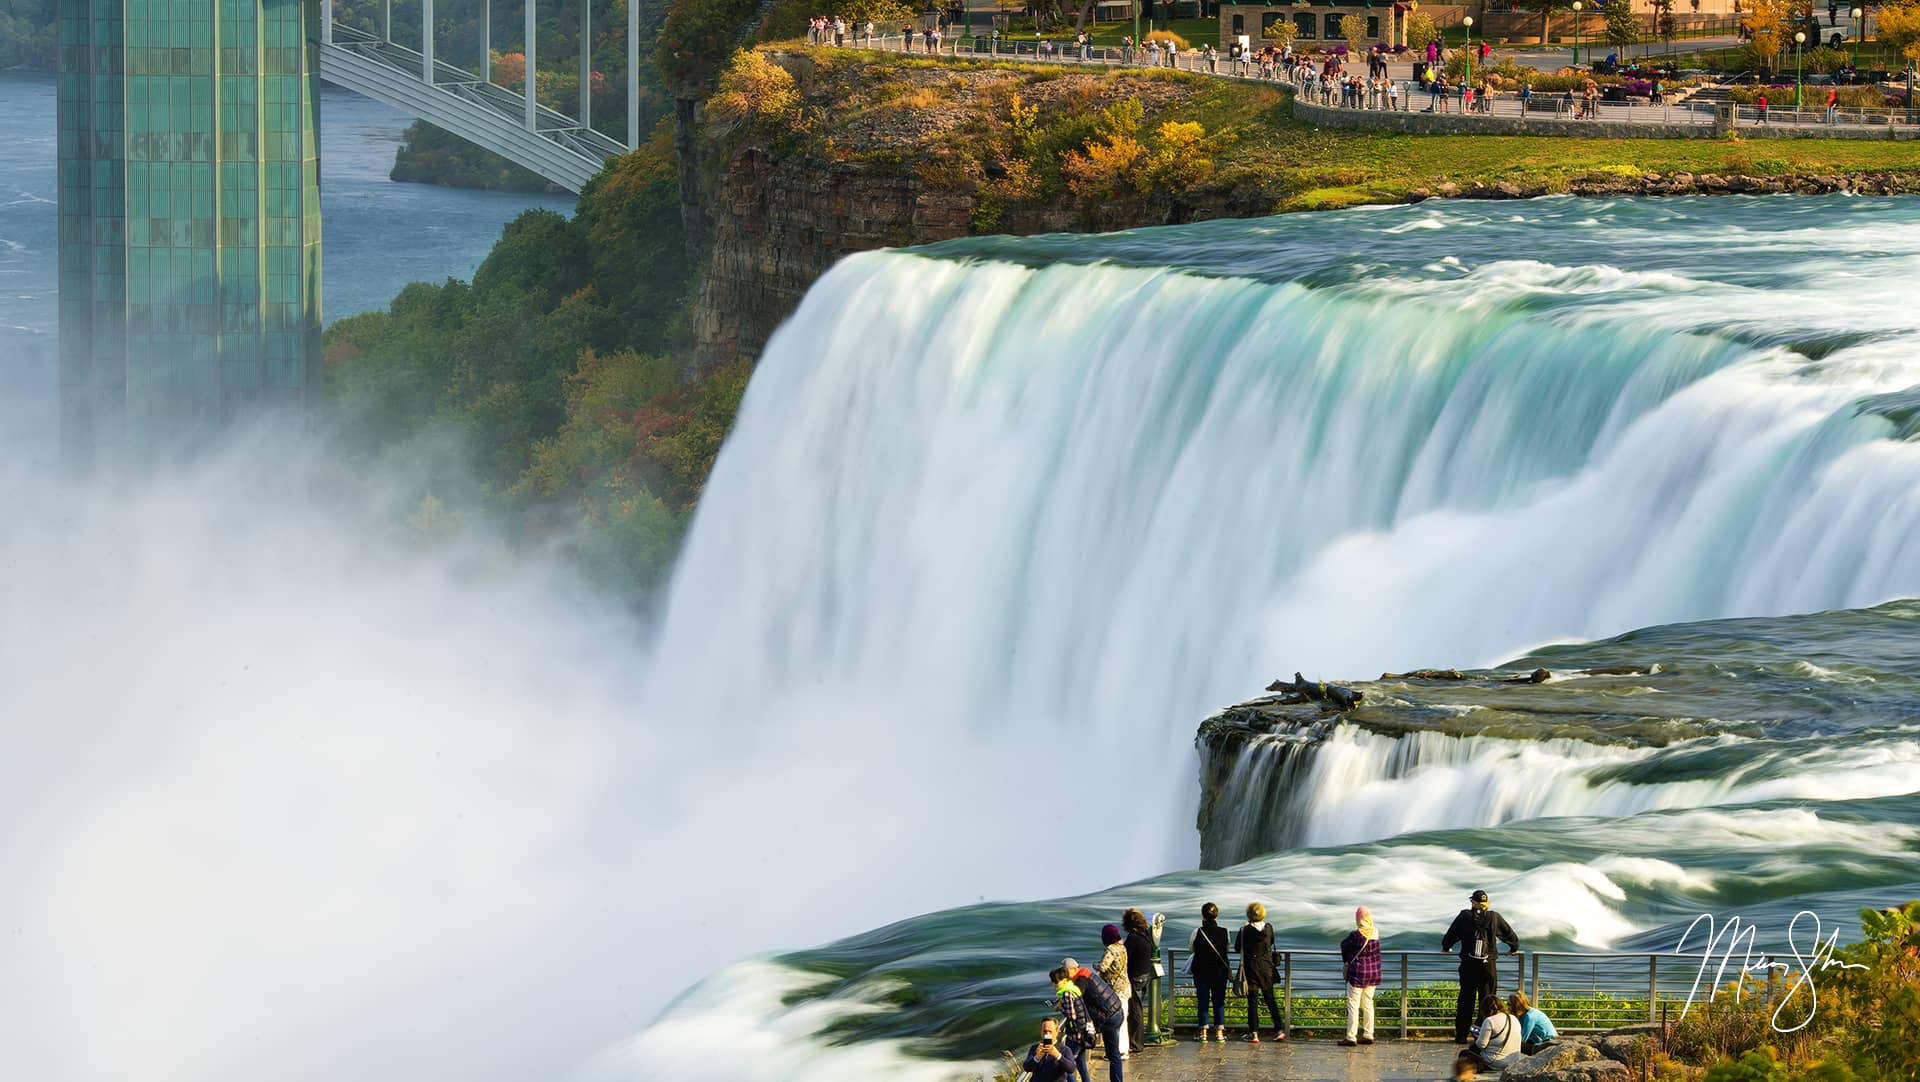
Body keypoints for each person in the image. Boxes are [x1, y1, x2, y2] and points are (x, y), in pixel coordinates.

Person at [1441, 890, 1520, 1044]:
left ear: (1473, 902)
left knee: (1466, 999)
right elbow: (1511, 936)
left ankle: (1462, 1035)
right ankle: (1481, 1034)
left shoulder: (1464, 916)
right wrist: (1513, 948)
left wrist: (1446, 947)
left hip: (1468, 965)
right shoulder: (1494, 917)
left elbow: (1450, 936)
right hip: (1488, 966)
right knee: (1487, 1000)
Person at [1062, 959, 1126, 1082]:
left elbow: (1076, 998)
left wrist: (1062, 1002)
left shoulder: (1081, 980)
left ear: (1074, 969)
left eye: (1065, 972)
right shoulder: (1087, 974)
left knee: (1112, 1055)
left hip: (1109, 1018)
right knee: (1112, 1055)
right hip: (1117, 1012)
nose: (1064, 975)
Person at [1235, 902, 1285, 1042]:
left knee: (1253, 1001)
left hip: (1251, 968)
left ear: (1248, 914)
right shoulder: (1269, 928)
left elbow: (1238, 948)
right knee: (1270, 999)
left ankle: (1254, 1032)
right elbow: (1271, 942)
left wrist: (1244, 929)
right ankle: (1279, 1030)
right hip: (1267, 968)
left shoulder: (1245, 930)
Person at [1188, 903, 1232, 1042]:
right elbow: (1227, 948)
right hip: (1220, 971)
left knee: (1203, 1000)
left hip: (1201, 971)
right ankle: (1219, 1032)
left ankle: (1203, 1033)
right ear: (1217, 915)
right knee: (1219, 1001)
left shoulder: (1197, 931)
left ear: (1203, 915)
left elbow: (1191, 949)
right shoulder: (1225, 931)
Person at [1339, 906, 1381, 1047]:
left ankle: (1351, 1037)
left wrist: (1348, 958)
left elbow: (1343, 945)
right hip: (1373, 973)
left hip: (1358, 974)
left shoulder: (1356, 934)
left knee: (1353, 1005)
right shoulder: (1375, 932)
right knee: (1368, 1004)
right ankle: (1368, 1034)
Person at [1454, 993, 1521, 1079]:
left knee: (1464, 1053)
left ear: (1485, 1009)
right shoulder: (1513, 1018)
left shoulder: (1489, 1021)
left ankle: (1477, 1068)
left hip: (1495, 1063)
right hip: (1514, 1062)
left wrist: (1478, 1037)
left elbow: (1481, 1045)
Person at [1049, 968, 1095, 1082]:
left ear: (1064, 980)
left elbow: (1072, 1015)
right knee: (1081, 1064)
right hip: (1084, 1032)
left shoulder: (1066, 994)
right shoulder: (1074, 989)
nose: (1054, 984)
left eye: (1056, 982)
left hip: (1076, 1035)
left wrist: (1060, 1008)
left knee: (1066, 1066)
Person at [1122, 910, 1154, 1054]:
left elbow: (1125, 957)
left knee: (1135, 1011)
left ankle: (1136, 1044)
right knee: (1138, 1009)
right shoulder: (1145, 934)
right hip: (1145, 974)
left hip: (1135, 977)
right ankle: (1136, 1041)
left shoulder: (1133, 938)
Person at [1098, 925, 1132, 1059]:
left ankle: (1116, 1051)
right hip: (1126, 987)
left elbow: (1103, 966)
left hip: (1115, 991)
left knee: (1114, 1021)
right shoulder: (1123, 948)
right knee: (1124, 1020)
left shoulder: (1111, 950)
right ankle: (1124, 1048)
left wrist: (1095, 965)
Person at [1025, 1017, 1079, 1082]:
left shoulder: (1065, 1049)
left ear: (1056, 1032)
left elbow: (1071, 1068)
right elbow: (1027, 1068)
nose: (1047, 1034)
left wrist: (1057, 1055)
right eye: (1045, 1031)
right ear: (1041, 1032)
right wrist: (1037, 1058)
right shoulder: (1035, 1048)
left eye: (1050, 1031)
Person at [1509, 991, 1557, 1055]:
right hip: (1540, 1041)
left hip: (1548, 1043)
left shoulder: (1530, 1017)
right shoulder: (1522, 1015)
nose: (1507, 1007)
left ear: (1516, 1006)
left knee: (1515, 1047)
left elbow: (1523, 1039)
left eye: (1509, 1004)